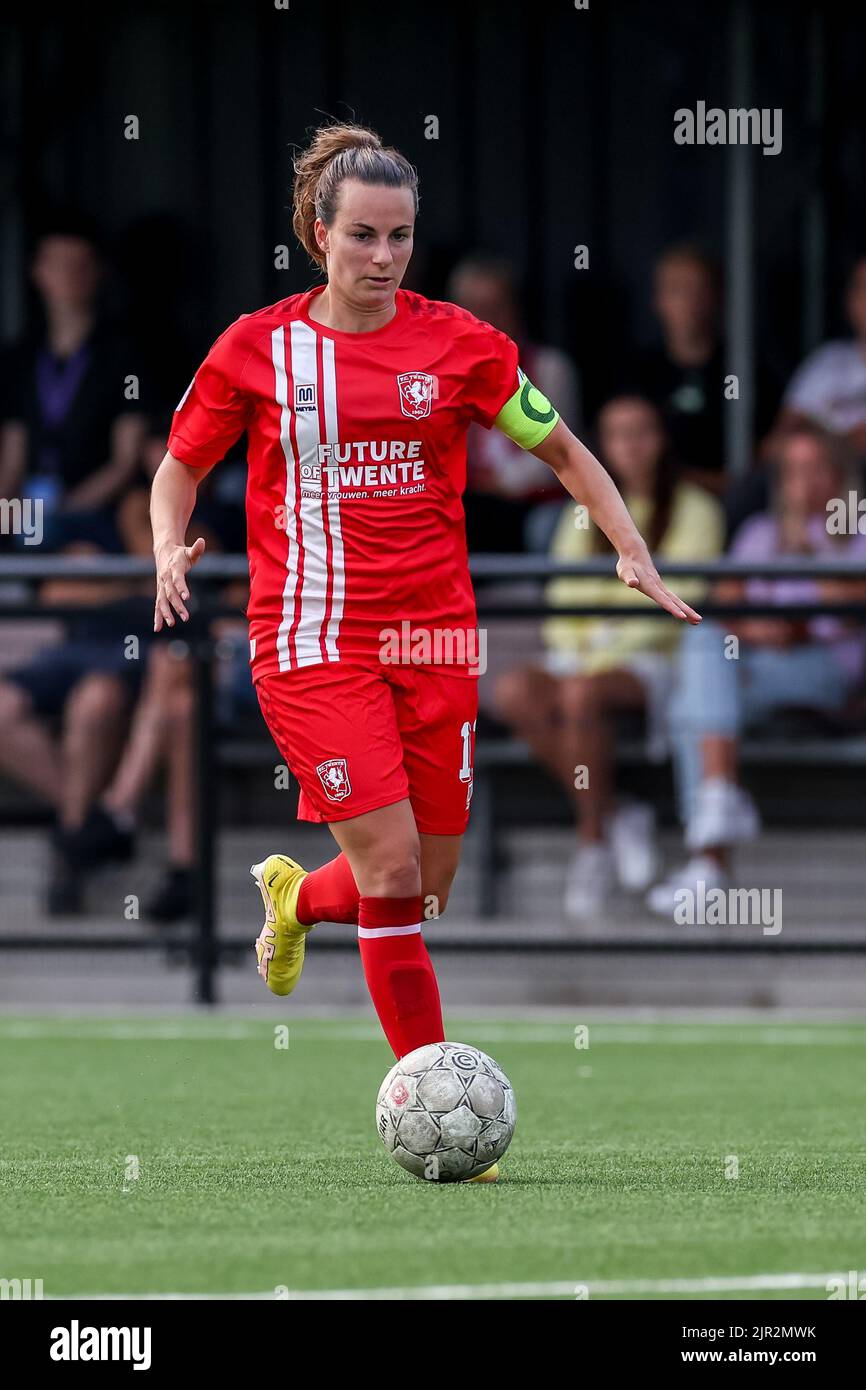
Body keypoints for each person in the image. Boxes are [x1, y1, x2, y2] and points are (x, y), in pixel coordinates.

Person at [150, 122, 700, 1181]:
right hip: (311, 638)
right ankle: (432, 1106)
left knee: (420, 884)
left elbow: (563, 449)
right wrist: (169, 546)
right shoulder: (256, 348)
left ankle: (297, 898)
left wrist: (628, 548)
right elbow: (178, 465)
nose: (383, 256)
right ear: (318, 234)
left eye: (400, 236)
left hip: (436, 638)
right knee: (395, 870)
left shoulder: (461, 344)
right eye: (361, 235)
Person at [494, 395, 724, 919]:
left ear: (660, 438)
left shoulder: (695, 508)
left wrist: (601, 646)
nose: (631, 446)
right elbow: (562, 595)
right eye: (618, 434)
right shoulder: (580, 511)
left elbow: (679, 596)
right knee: (512, 691)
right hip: (582, 658)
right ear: (604, 443)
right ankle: (616, 813)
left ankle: (593, 840)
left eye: (641, 432)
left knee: (580, 692)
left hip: (657, 661)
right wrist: (583, 648)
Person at [648, 423, 866, 914]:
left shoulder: (856, 528)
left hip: (830, 669)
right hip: (757, 665)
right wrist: (761, 630)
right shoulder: (761, 532)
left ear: (839, 476)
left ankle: (709, 857)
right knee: (703, 648)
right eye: (793, 472)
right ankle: (719, 802)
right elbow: (722, 606)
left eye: (815, 470)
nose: (804, 484)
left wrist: (807, 551)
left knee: (692, 704)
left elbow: (852, 601)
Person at [0, 218, 147, 552]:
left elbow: (125, 462)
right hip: (31, 511)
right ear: (38, 271)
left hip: (97, 513)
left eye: (81, 265)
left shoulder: (124, 356)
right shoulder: (20, 359)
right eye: (60, 264)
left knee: (42, 532)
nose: (71, 275)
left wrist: (63, 508)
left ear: (98, 273)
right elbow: (13, 458)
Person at [447, 254, 579, 552]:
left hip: (531, 502)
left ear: (515, 309)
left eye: (495, 307)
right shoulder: (443, 374)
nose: (484, 319)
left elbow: (559, 453)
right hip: (471, 501)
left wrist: (495, 482)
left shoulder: (550, 367)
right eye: (474, 310)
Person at [627, 243, 777, 496]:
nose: (689, 302)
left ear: (719, 297)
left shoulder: (748, 368)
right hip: (650, 496)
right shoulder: (638, 371)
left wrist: (727, 484)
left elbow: (772, 446)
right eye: (677, 290)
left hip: (730, 500)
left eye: (699, 289)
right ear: (658, 301)